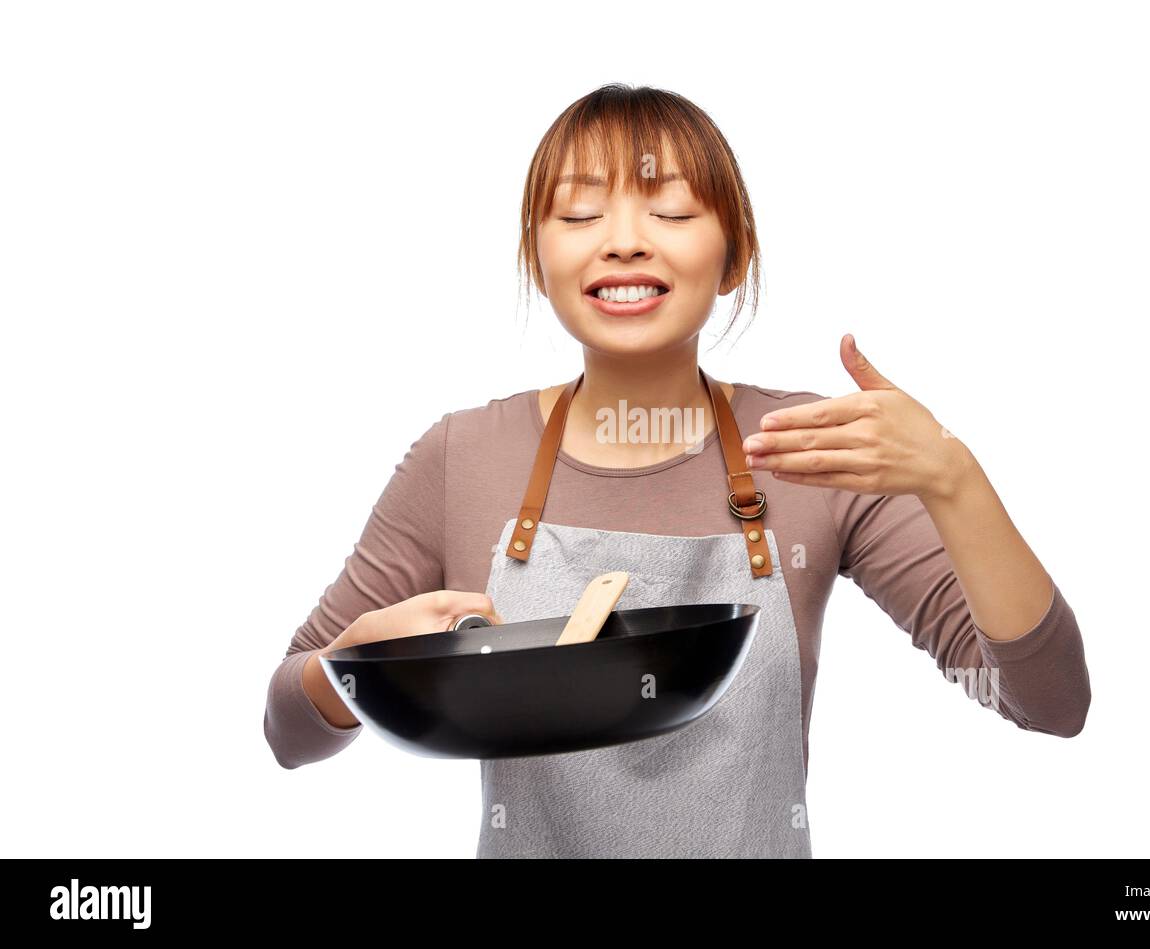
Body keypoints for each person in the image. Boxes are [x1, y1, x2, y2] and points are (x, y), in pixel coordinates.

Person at [262, 83, 1091, 858]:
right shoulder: (464, 455)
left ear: (733, 257)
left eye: (671, 209)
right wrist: (353, 667)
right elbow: (286, 732)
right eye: (581, 211)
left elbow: (1050, 703)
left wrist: (953, 478)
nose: (624, 239)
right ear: (536, 257)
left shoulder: (812, 447)